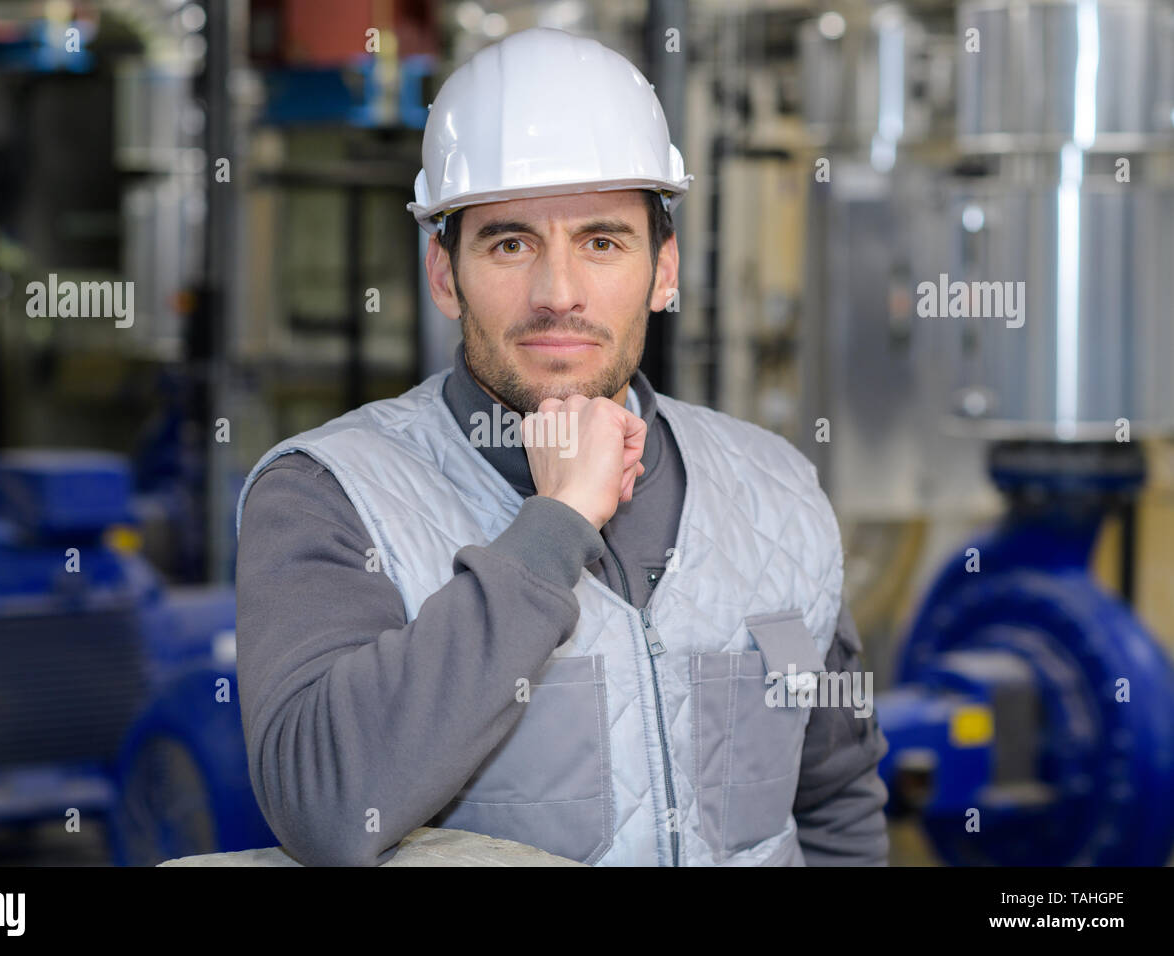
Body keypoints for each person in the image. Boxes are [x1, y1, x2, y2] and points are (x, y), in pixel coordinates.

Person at [234, 26, 889, 866]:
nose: (559, 294)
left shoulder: (778, 491)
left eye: (602, 241)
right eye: (511, 243)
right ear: (445, 276)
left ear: (663, 271)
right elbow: (325, 803)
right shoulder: (330, 495)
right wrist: (552, 529)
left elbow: (837, 794)